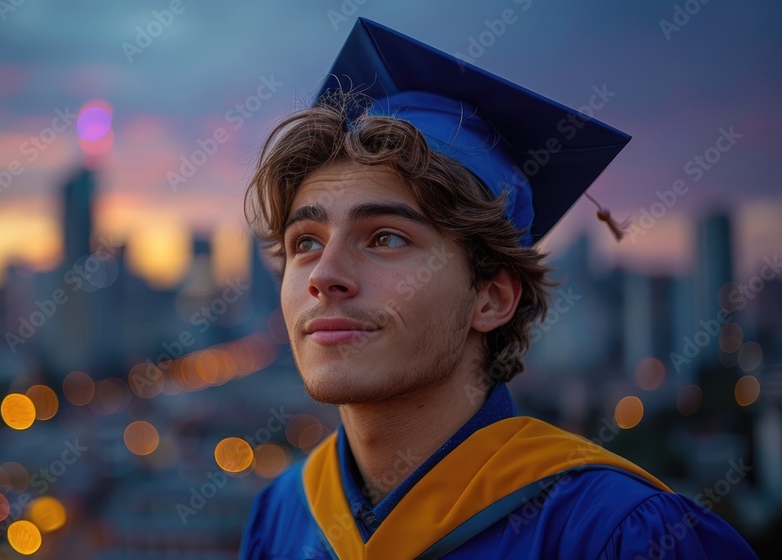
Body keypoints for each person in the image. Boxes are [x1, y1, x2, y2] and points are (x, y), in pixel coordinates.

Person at [239, 18, 758, 560]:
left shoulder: (621, 535)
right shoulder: (280, 515)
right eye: (305, 241)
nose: (323, 275)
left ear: (492, 297)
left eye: (386, 237)